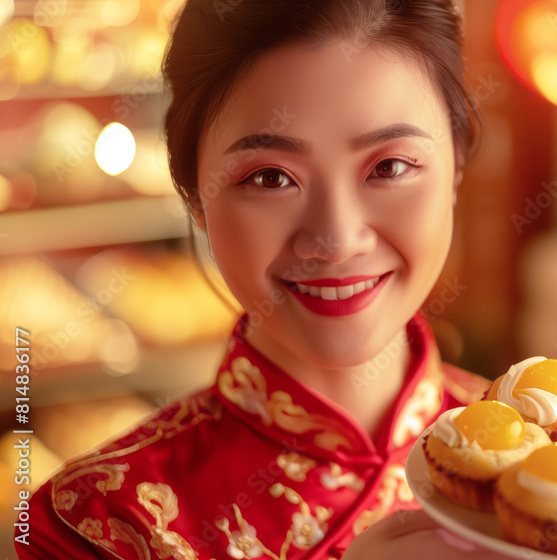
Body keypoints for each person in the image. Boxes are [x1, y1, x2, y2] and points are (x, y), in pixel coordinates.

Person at [17, 1, 511, 558]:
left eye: (389, 167)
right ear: (194, 196)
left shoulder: (552, 468)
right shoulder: (93, 522)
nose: (336, 238)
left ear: (457, 165)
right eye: (271, 177)